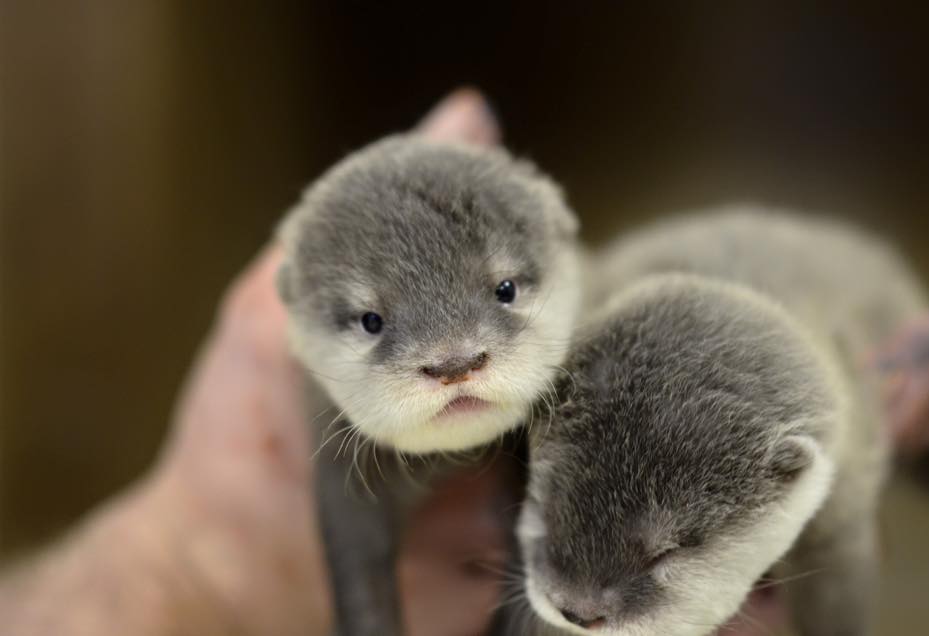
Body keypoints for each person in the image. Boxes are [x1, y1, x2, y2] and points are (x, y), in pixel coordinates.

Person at [0, 90, 780, 636]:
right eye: (373, 323)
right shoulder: (314, 409)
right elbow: (354, 553)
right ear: (294, 312)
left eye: (505, 292)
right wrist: (195, 559)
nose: (454, 359)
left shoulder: (600, 335)